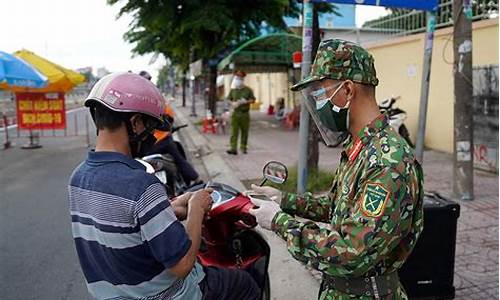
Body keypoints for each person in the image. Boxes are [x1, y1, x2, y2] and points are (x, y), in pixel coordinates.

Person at [248, 39, 424, 300]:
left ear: (348, 90)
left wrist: (279, 222)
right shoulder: (360, 146)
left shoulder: (388, 162)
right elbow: (338, 209)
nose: (318, 102)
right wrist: (284, 201)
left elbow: (351, 252)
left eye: (321, 92)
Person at [68, 72, 260, 300]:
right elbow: (182, 265)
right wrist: (197, 209)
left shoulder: (77, 178)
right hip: (168, 295)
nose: (152, 134)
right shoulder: (142, 184)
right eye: (150, 125)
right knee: (244, 284)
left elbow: (124, 223)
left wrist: (171, 209)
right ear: (136, 122)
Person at [138, 70, 202, 186]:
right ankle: (196, 179)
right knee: (179, 159)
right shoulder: (156, 97)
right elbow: (169, 117)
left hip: (146, 147)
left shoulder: (137, 99)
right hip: (164, 141)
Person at [226, 70, 255, 155]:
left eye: (239, 77)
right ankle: (233, 148)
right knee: (234, 131)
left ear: (242, 79)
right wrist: (232, 103)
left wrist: (245, 102)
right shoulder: (233, 90)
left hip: (244, 113)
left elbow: (253, 100)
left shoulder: (248, 90)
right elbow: (228, 99)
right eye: (236, 77)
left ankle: (243, 147)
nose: (238, 79)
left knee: (244, 131)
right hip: (235, 113)